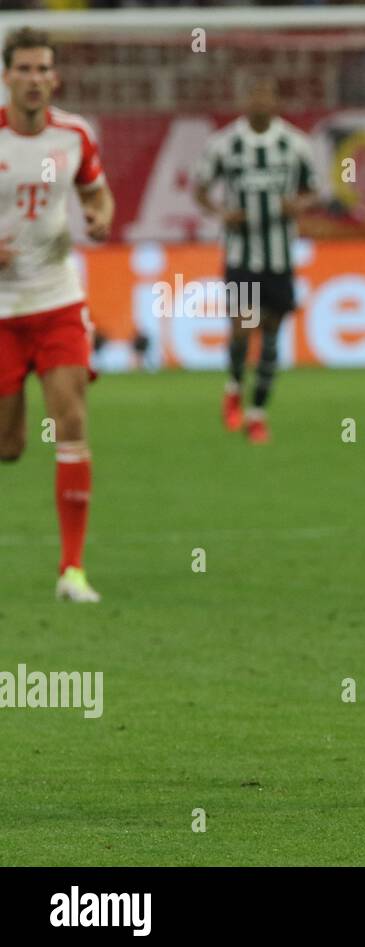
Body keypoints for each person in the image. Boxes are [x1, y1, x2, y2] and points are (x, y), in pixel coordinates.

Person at [0, 27, 115, 603]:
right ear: (6, 77)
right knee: (11, 445)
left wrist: (99, 217)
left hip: (56, 299)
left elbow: (97, 194)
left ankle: (72, 571)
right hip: (1, 311)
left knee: (71, 424)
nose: (34, 79)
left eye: (43, 68)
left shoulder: (73, 135)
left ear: (55, 77)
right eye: (23, 68)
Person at [194, 76, 317, 444]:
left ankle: (257, 413)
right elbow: (200, 188)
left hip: (280, 257)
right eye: (255, 93)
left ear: (275, 100)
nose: (261, 100)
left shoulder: (294, 144)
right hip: (242, 254)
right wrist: (220, 212)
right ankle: (233, 384)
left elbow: (312, 190)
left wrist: (298, 205)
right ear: (245, 100)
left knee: (273, 335)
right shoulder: (225, 144)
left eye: (267, 93)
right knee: (243, 327)